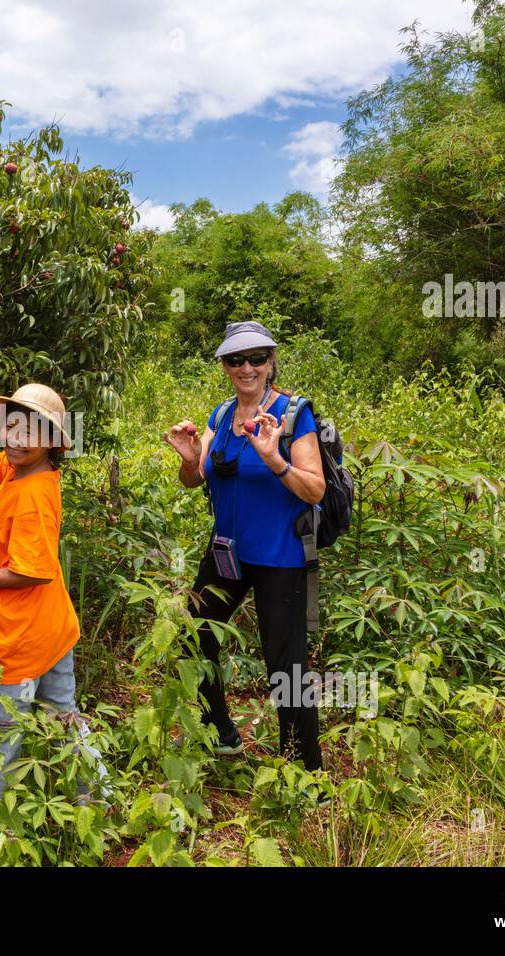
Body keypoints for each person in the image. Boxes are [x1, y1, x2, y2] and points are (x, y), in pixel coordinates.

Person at [0, 383, 109, 839]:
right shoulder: (20, 472)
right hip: (52, 629)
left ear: (51, 441)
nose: (15, 436)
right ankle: (99, 806)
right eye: (10, 424)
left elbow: (31, 573)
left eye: (29, 429)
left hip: (23, 638)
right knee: (64, 718)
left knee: (1, 742)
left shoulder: (33, 496)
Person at [162, 321, 326, 771]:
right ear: (225, 366)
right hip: (226, 556)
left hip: (279, 557)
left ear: (271, 361)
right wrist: (189, 457)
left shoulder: (294, 414)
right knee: (194, 638)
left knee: (286, 668)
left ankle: (303, 769)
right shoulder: (221, 415)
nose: (246, 367)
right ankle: (222, 735)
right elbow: (195, 479)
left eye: (256, 358)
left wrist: (276, 460)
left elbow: (314, 489)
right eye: (236, 359)